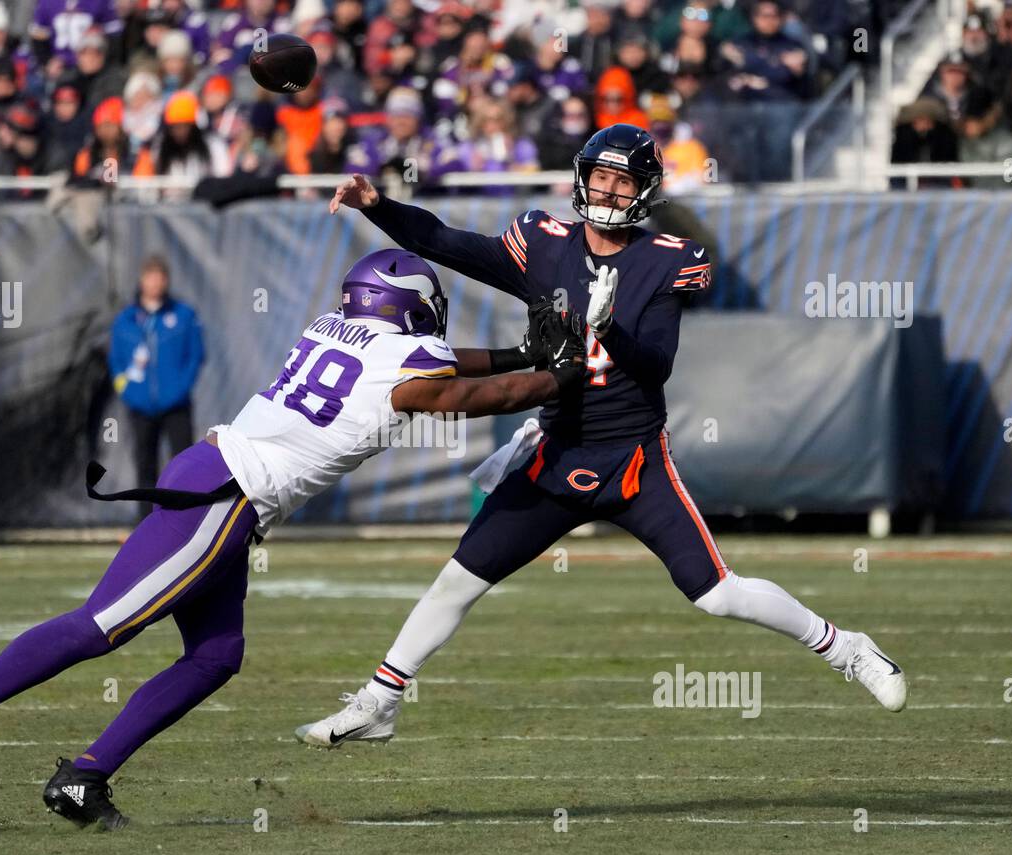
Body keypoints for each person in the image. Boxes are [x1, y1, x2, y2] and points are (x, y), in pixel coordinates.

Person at [0, 250, 586, 830]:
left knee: (217, 656)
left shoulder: (331, 328)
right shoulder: (408, 365)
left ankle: (84, 778)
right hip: (225, 495)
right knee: (101, 626)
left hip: (218, 476)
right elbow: (470, 395)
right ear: (408, 306)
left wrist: (516, 352)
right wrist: (557, 376)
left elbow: (440, 365)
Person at [296, 122, 909, 749]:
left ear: (643, 190)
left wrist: (608, 330)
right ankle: (379, 703)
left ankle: (846, 649)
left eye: (622, 181)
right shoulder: (544, 243)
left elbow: (655, 365)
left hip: (632, 461)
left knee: (716, 593)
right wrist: (381, 207)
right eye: (601, 176)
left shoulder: (666, 259)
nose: (609, 191)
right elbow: (449, 244)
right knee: (459, 579)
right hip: (555, 456)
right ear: (582, 177)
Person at [109, 254, 204, 511]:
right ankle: (146, 525)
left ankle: (187, 520)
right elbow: (116, 362)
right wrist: (128, 391)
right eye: (150, 278)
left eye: (160, 278)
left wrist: (179, 389)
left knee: (184, 465)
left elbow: (195, 356)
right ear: (142, 281)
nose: (155, 283)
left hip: (176, 405)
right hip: (140, 407)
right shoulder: (125, 320)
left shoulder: (183, 315)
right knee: (144, 465)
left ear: (166, 281)